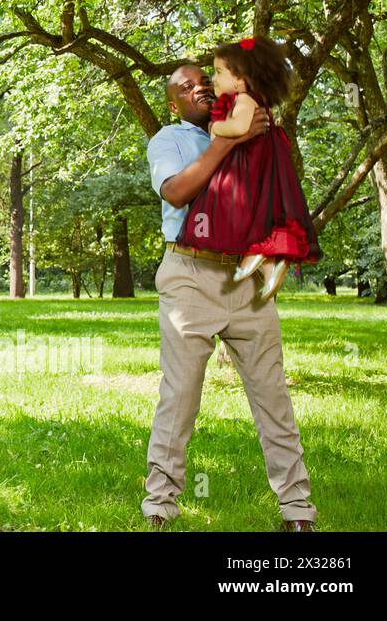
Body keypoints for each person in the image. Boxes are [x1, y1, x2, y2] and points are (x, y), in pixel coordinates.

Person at [143, 63, 316, 531]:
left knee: (272, 395)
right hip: (190, 275)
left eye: (203, 79)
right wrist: (227, 139)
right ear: (173, 102)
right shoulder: (169, 141)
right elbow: (176, 192)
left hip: (244, 277)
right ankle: (160, 505)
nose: (197, 86)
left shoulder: (253, 128)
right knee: (180, 396)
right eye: (184, 86)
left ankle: (297, 511)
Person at [174, 36, 320, 300]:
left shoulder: (245, 99)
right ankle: (265, 271)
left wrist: (216, 127)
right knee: (259, 227)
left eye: (218, 73)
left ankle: (254, 265)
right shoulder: (254, 99)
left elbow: (240, 128)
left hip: (249, 167)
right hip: (263, 167)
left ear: (241, 79)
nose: (213, 81)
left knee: (241, 216)